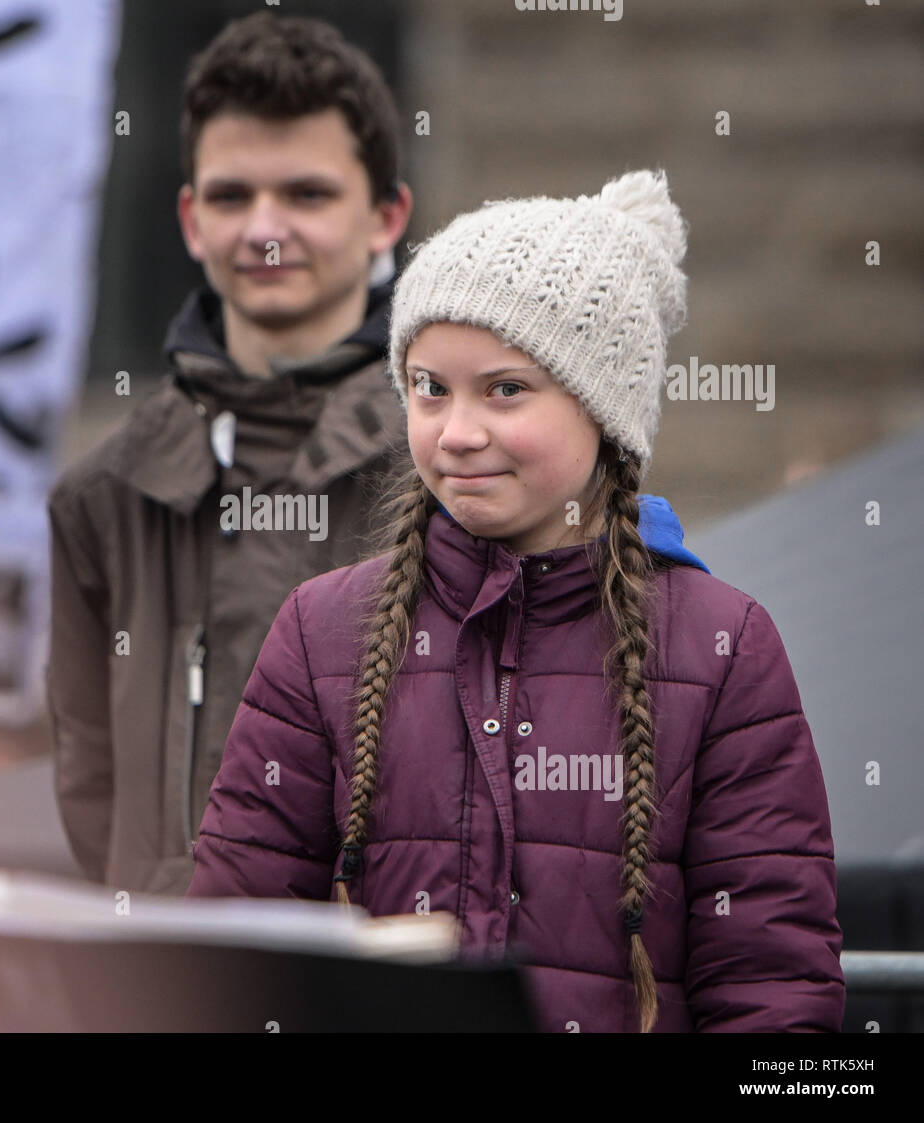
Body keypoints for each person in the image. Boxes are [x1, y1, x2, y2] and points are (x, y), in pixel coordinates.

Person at [187, 169, 846, 1033]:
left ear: (602, 408)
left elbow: (776, 997)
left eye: (505, 389)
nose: (457, 432)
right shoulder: (320, 632)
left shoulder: (723, 646)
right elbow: (225, 967)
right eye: (429, 387)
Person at [46, 13, 413, 895]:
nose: (266, 229)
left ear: (386, 216)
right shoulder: (100, 494)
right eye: (231, 196)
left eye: (307, 194)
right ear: (188, 218)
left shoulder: (454, 469)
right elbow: (91, 793)